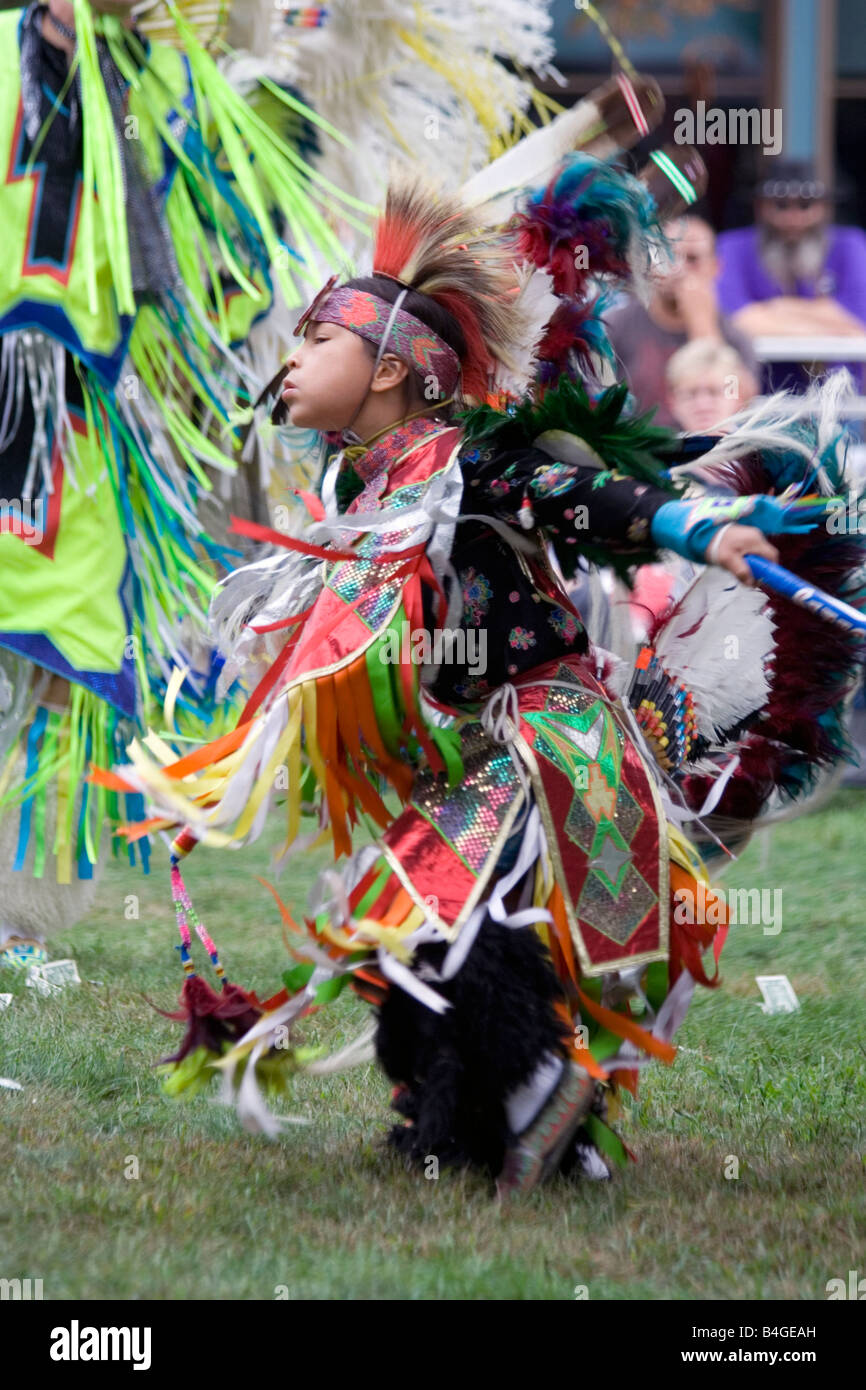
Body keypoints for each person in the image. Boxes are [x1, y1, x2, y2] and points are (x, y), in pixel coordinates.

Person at [101, 157, 865, 1197]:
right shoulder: (356, 487)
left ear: (386, 368)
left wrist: (701, 527)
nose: (293, 360)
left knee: (451, 922)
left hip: (552, 733)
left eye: (317, 339)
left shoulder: (471, 465)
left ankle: (542, 1087)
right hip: (471, 747)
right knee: (418, 944)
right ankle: (476, 1113)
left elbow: (581, 495)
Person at [0, 0, 350, 968]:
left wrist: (281, 82)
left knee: (64, 653)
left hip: (91, 418)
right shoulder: (4, 61)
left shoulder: (170, 84)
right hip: (12, 380)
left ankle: (17, 913)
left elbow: (222, 248)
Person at [716, 160, 866, 389]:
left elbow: (858, 320)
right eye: (781, 205)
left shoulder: (850, 244)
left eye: (805, 205)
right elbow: (734, 320)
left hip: (839, 398)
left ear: (825, 207)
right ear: (760, 206)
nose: (793, 218)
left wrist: (778, 308)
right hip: (759, 397)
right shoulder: (732, 246)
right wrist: (829, 322)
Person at [604, 215, 758, 427]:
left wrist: (703, 325)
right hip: (636, 452)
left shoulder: (733, 337)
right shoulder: (617, 325)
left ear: (715, 268)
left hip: (705, 450)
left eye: (692, 259)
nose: (678, 269)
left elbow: (740, 403)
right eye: (668, 258)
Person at [666, 338, 758, 434]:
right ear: (673, 402)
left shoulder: (756, 447)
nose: (702, 405)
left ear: (737, 396)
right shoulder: (659, 448)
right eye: (691, 394)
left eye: (714, 392)